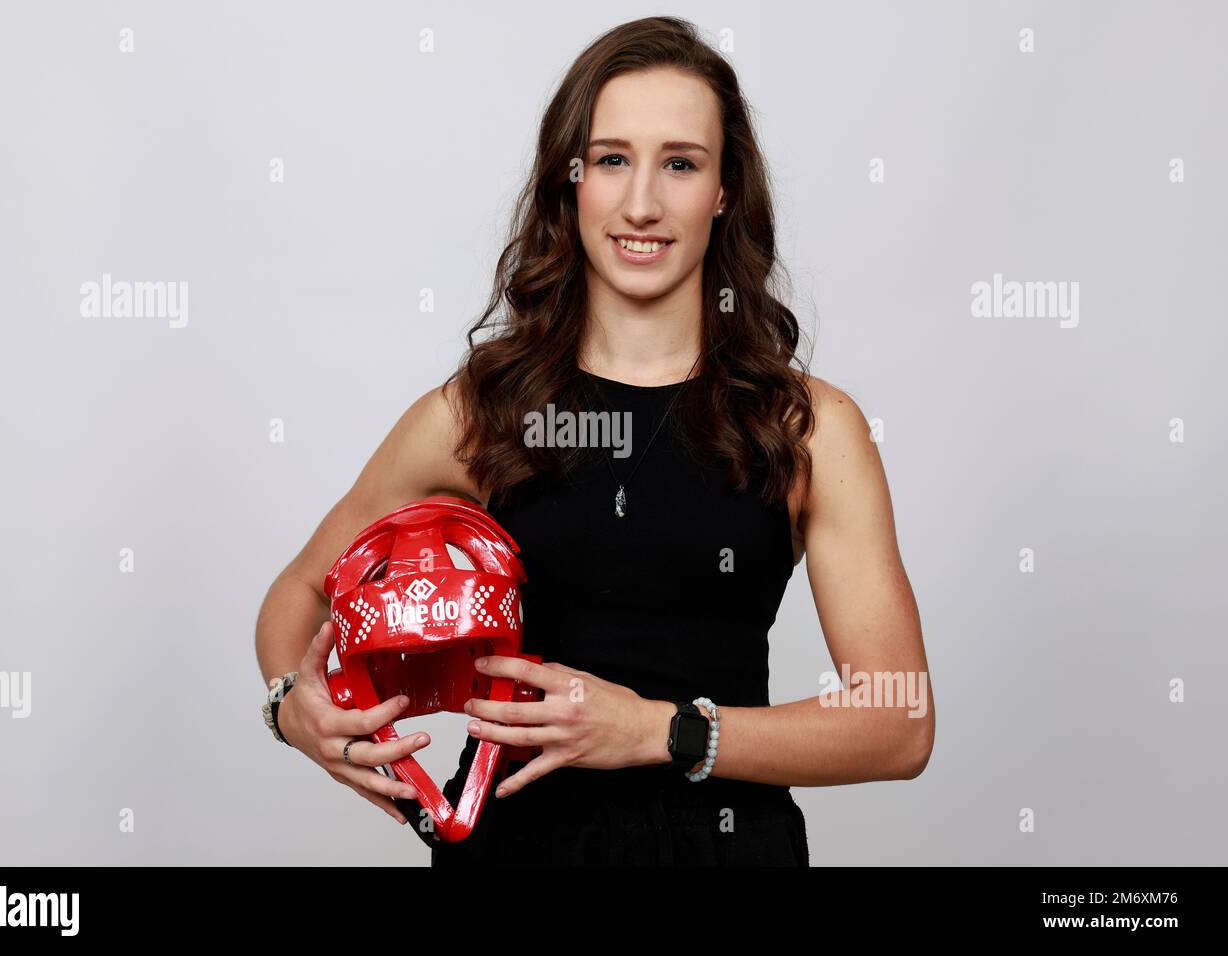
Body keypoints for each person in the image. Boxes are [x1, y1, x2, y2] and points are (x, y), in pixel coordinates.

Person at [254, 15, 934, 866]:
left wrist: (663, 731)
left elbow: (899, 725)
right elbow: (299, 594)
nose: (642, 203)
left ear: (724, 191)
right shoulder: (480, 414)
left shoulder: (808, 427)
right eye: (612, 159)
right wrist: (294, 707)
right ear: (569, 180)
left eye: (680, 164)